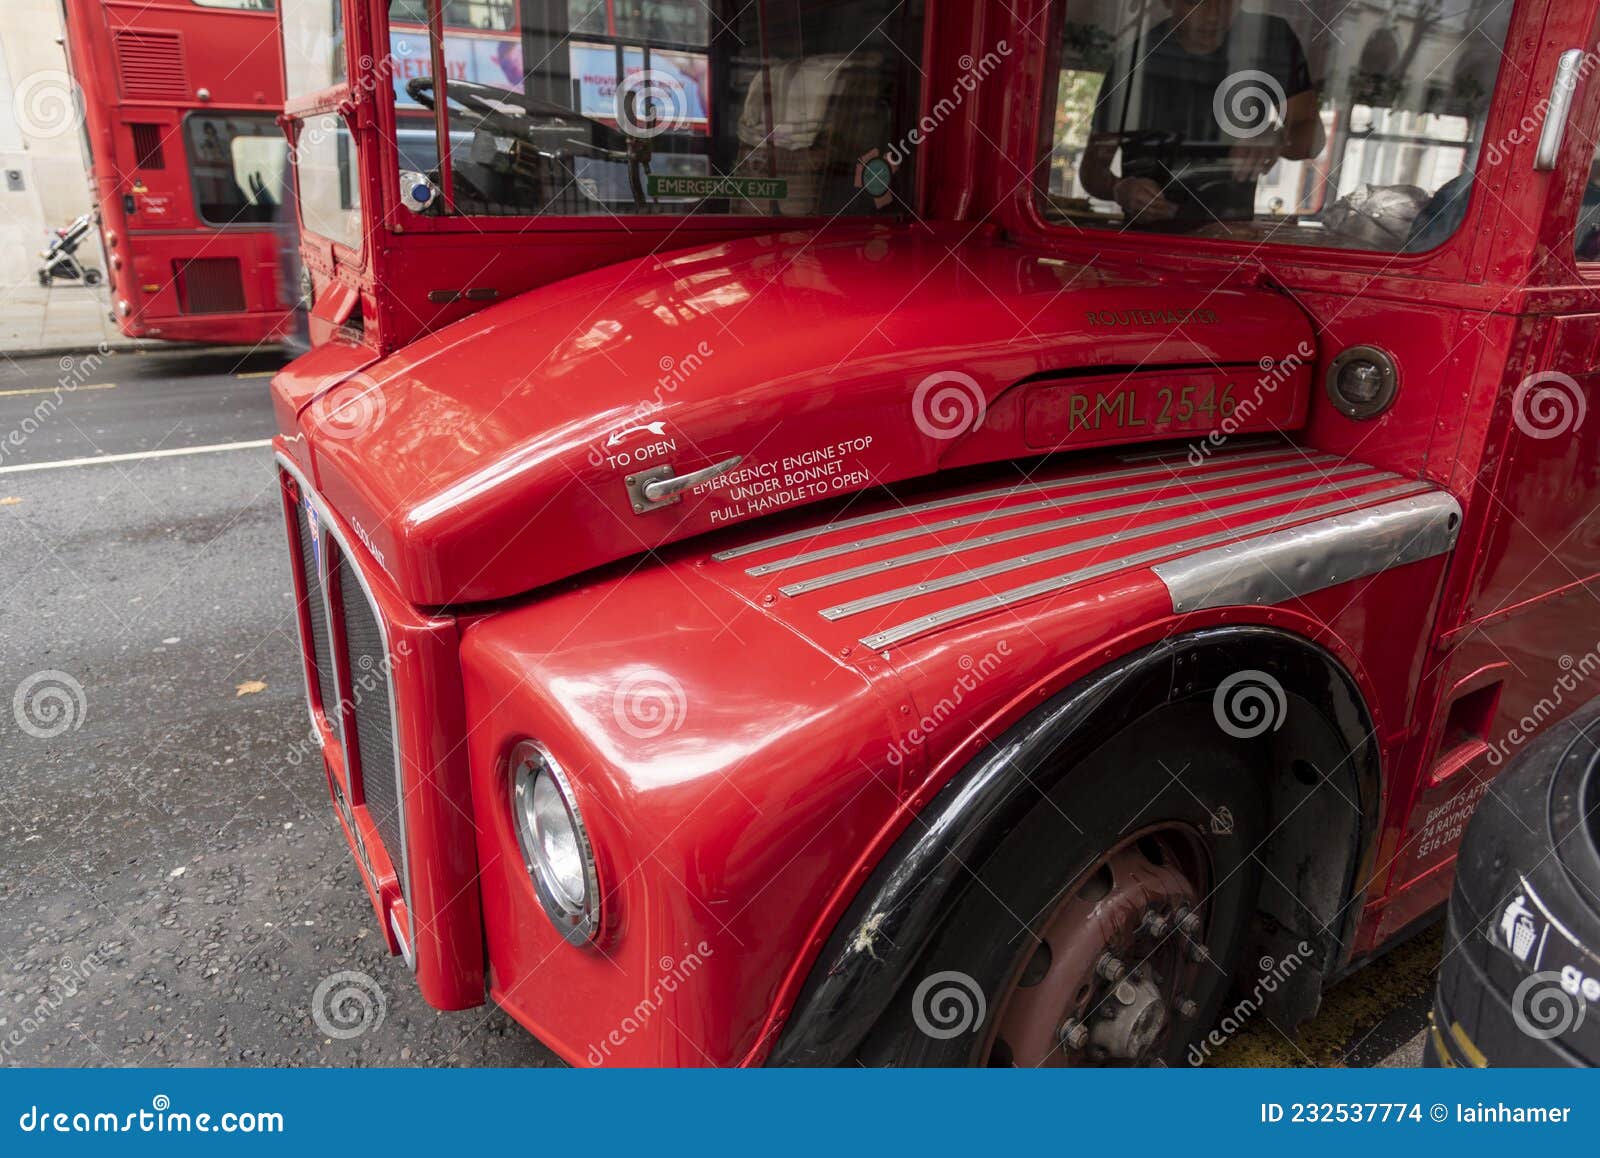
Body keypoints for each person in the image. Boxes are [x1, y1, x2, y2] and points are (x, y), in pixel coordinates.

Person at [1079, 0, 1325, 227]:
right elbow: (1092, 171)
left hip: (1230, 242)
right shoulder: (1133, 63)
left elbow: (1312, 140)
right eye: (1194, 1)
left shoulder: (1272, 40)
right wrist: (1119, 188)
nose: (1213, 15)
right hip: (1149, 245)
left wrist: (1279, 139)